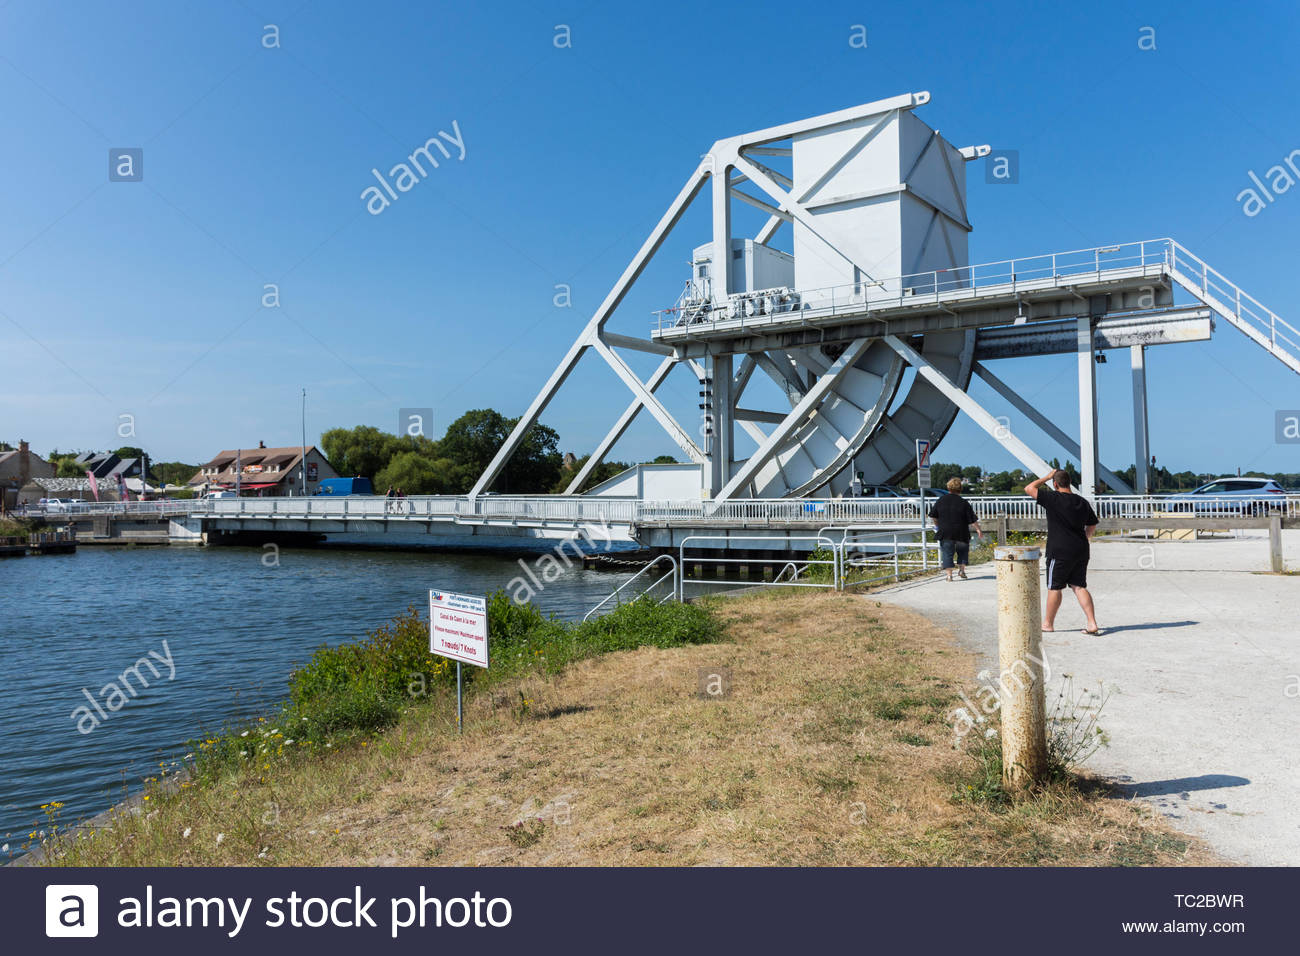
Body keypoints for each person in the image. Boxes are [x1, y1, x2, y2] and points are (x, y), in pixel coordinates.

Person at [1024, 469, 1101, 635]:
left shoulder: (1053, 498)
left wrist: (1046, 476)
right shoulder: (1082, 502)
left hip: (1059, 550)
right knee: (1079, 586)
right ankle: (1092, 622)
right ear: (1070, 483)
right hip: (1080, 549)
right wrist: (1085, 537)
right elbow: (1092, 524)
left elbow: (1029, 488)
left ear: (1055, 484)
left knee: (1054, 587)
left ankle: (1048, 624)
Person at [929, 477, 983, 581]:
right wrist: (978, 530)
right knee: (962, 551)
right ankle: (962, 571)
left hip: (945, 531)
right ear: (960, 489)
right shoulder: (964, 502)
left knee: (947, 552)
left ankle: (949, 576)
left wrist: (938, 526)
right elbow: (972, 519)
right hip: (961, 531)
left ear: (948, 488)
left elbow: (933, 516)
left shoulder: (941, 500)